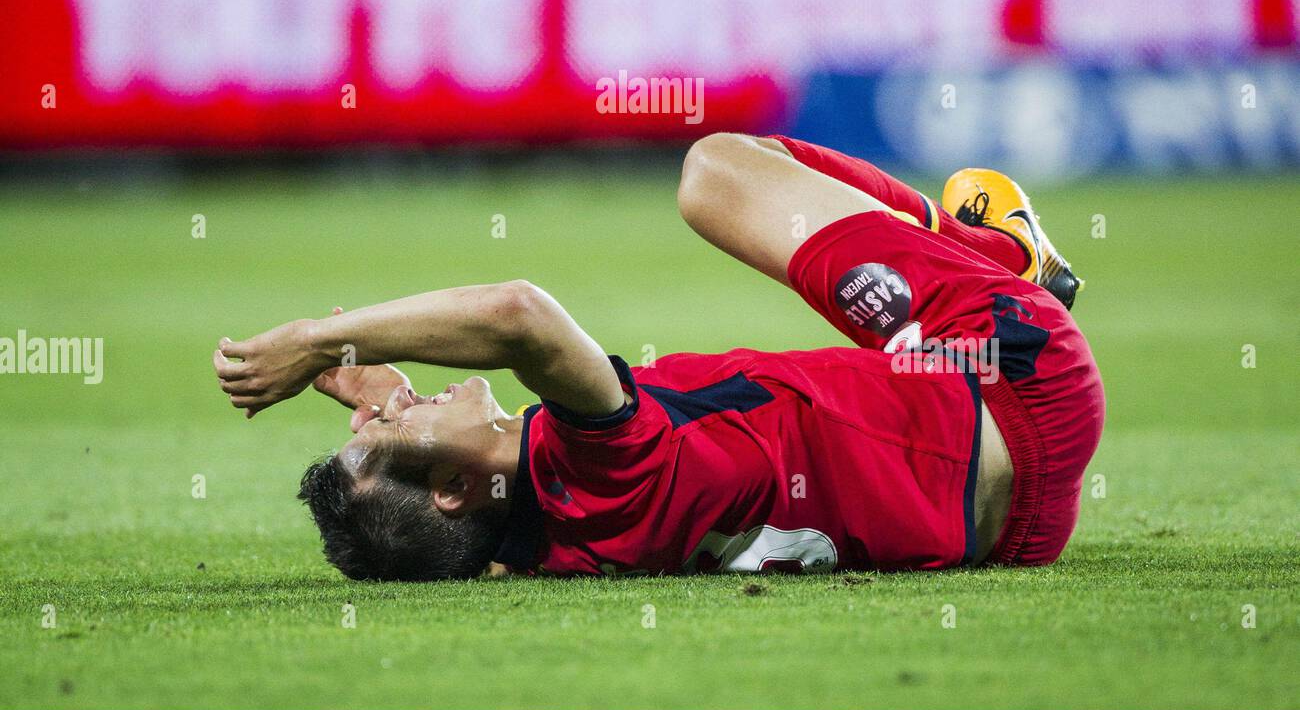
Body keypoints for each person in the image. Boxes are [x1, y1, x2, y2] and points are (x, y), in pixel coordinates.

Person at [212, 134, 1102, 579]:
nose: (387, 408)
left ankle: (975, 267)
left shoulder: (548, 545)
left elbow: (439, 534)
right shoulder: (594, 458)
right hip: (1016, 379)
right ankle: (992, 256)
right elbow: (519, 316)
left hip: (1017, 535)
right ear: (451, 488)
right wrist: (319, 339)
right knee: (715, 169)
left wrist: (392, 413)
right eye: (388, 430)